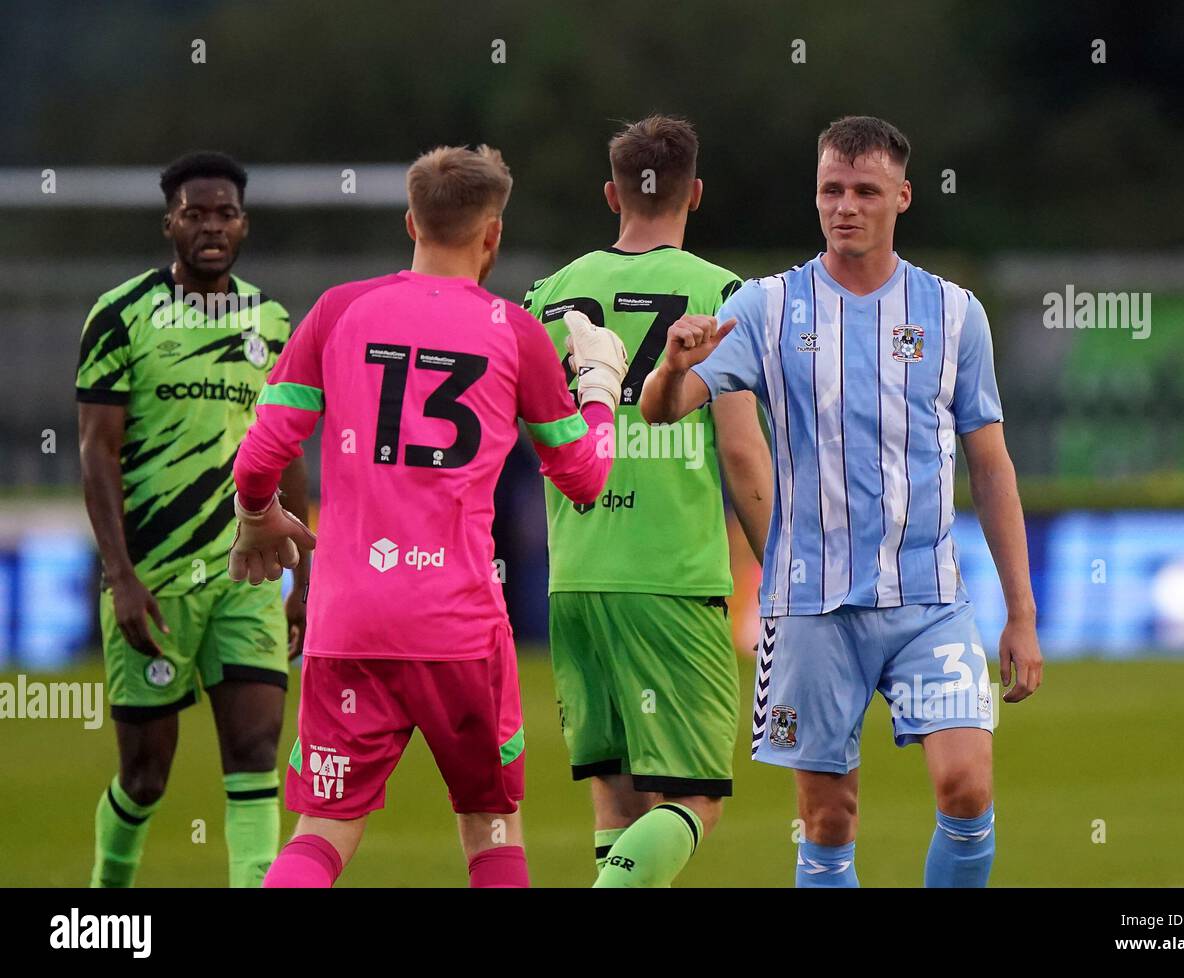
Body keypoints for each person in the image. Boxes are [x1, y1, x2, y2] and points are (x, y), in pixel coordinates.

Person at [641, 116, 1044, 887]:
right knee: (828, 820)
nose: (845, 205)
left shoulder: (955, 313)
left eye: (864, 190)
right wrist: (669, 365)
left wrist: (1020, 616)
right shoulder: (767, 308)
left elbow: (992, 468)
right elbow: (664, 409)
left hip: (928, 600)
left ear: (902, 196)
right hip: (809, 606)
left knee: (967, 787)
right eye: (831, 189)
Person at [228, 145, 627, 887]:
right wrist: (599, 388)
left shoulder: (340, 311)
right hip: (459, 627)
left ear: (411, 220)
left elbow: (257, 462)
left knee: (322, 829)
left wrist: (258, 515)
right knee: (490, 825)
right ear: (493, 236)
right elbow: (584, 479)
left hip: (350, 620)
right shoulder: (516, 332)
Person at [523, 115, 772, 887]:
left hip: (576, 571)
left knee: (617, 793)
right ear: (695, 193)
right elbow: (738, 448)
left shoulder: (548, 295)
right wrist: (785, 573)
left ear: (612, 193)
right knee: (697, 797)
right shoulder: (721, 294)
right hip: (670, 574)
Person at [77, 151, 308, 887]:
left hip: (247, 572)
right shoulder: (119, 317)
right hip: (155, 575)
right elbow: (96, 453)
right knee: (146, 778)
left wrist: (303, 567)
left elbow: (288, 444)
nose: (211, 226)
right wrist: (121, 577)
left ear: (243, 224)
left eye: (225, 214)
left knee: (255, 750)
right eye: (196, 213)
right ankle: (106, 897)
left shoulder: (271, 322)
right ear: (170, 221)